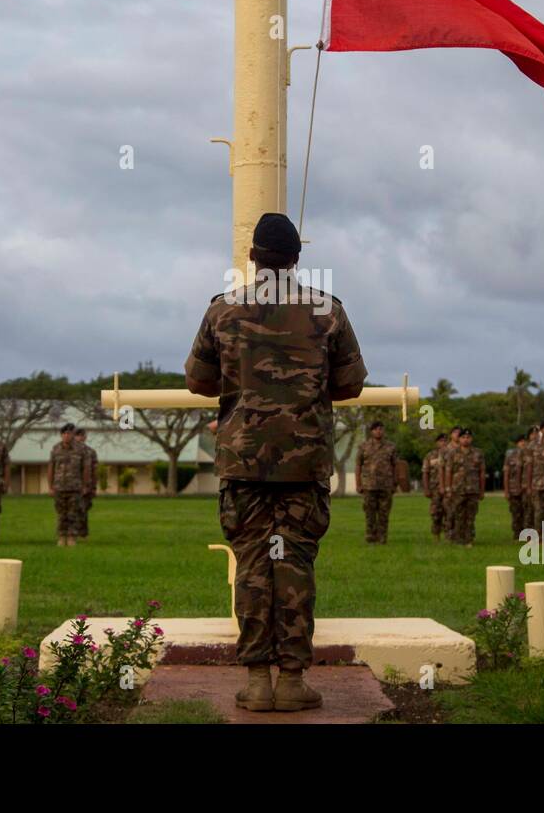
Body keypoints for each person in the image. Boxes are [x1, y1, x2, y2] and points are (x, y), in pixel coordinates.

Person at [185, 212, 366, 713]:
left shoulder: (223, 311)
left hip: (242, 463)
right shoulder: (327, 310)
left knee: (252, 565)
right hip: (303, 465)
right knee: (293, 567)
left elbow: (198, 381)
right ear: (297, 258)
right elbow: (350, 384)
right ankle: (291, 680)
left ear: (252, 257)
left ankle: (257, 682)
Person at [355, 420, 398, 544]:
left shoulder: (391, 447)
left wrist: (395, 483)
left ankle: (382, 538)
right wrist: (358, 484)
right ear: (371, 431)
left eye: (381, 429)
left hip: (386, 485)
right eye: (376, 429)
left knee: (384, 514)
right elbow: (358, 465)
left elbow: (395, 465)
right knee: (370, 513)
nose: (379, 431)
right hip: (369, 485)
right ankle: (370, 536)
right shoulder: (363, 446)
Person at [48, 423, 88, 547]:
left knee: (73, 513)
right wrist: (50, 486)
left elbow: (85, 468)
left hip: (75, 487)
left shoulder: (80, 450)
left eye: (69, 433)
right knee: (61, 513)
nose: (66, 435)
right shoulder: (56, 449)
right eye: (64, 433)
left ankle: (71, 537)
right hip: (59, 487)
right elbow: (51, 468)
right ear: (61, 435)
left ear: (72, 435)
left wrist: (85, 485)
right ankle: (61, 537)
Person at [448, 429, 485, 546]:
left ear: (471, 439)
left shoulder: (478, 453)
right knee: (458, 515)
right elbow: (449, 471)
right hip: (457, 489)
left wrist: (482, 490)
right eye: (463, 437)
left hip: (473, 489)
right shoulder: (453, 453)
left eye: (468, 437)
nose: (466, 439)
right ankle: (459, 539)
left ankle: (469, 539)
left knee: (471, 516)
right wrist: (448, 488)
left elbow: (482, 472)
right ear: (459, 439)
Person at [423, 433, 448, 541]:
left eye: (445, 440)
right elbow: (425, 472)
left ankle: (449, 536)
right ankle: (436, 535)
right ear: (436, 442)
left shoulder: (452, 455)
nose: (443, 443)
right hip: (435, 489)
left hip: (449, 488)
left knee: (450, 512)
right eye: (441, 441)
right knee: (436, 513)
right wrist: (426, 488)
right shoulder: (430, 456)